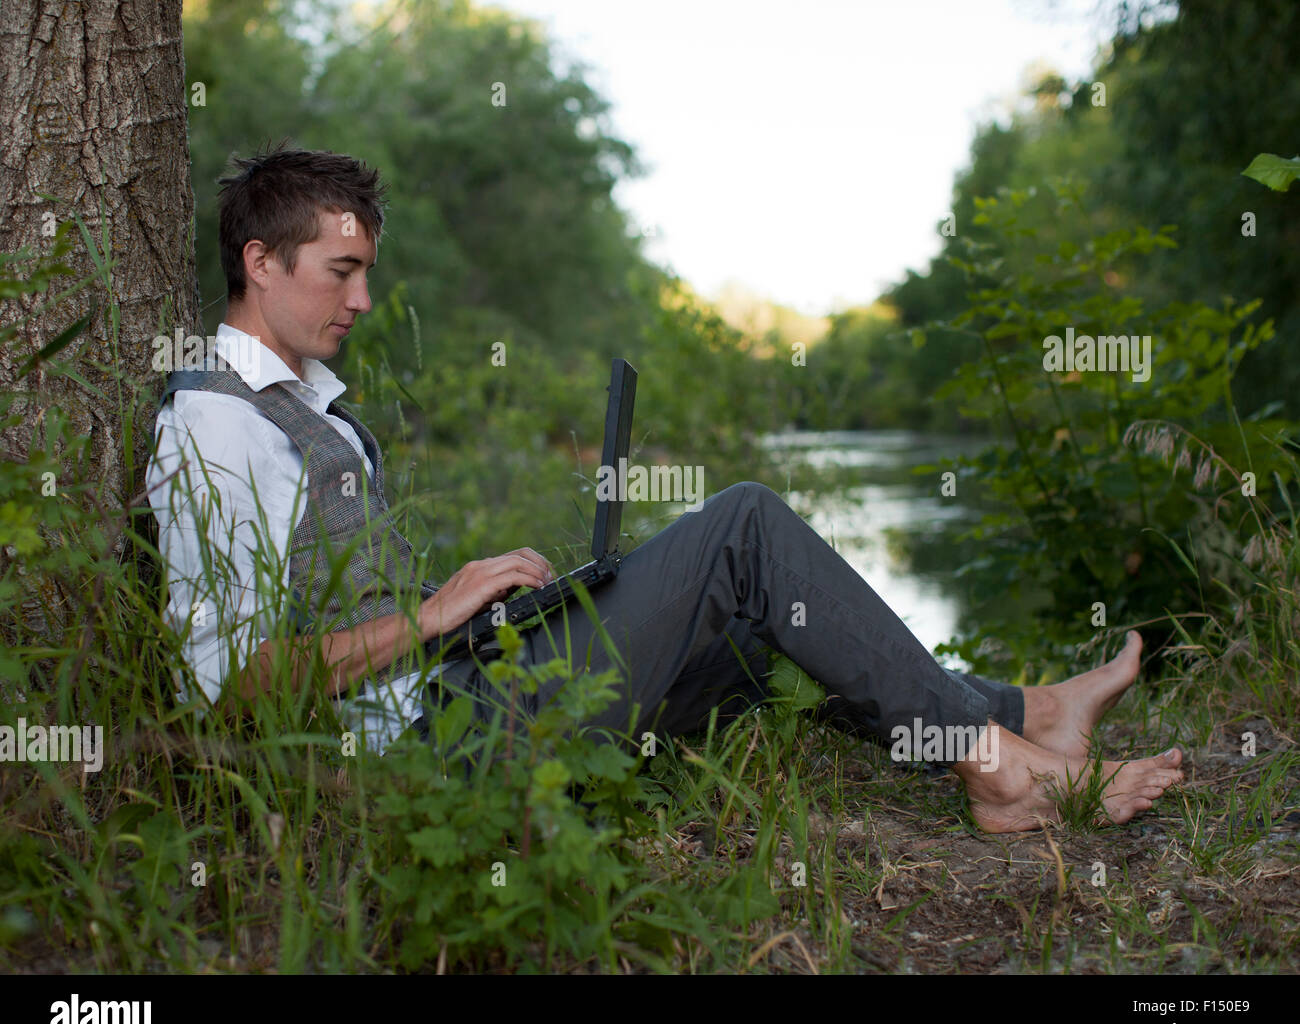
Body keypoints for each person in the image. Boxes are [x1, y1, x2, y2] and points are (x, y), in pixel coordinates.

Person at [146, 146, 1184, 836]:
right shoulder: (215, 426)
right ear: (260, 261)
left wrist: (486, 613)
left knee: (738, 621)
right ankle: (1000, 770)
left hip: (451, 696)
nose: (365, 298)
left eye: (367, 269)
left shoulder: (304, 404)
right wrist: (432, 614)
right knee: (743, 527)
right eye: (342, 270)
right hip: (419, 757)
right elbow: (229, 686)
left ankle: (1025, 711)